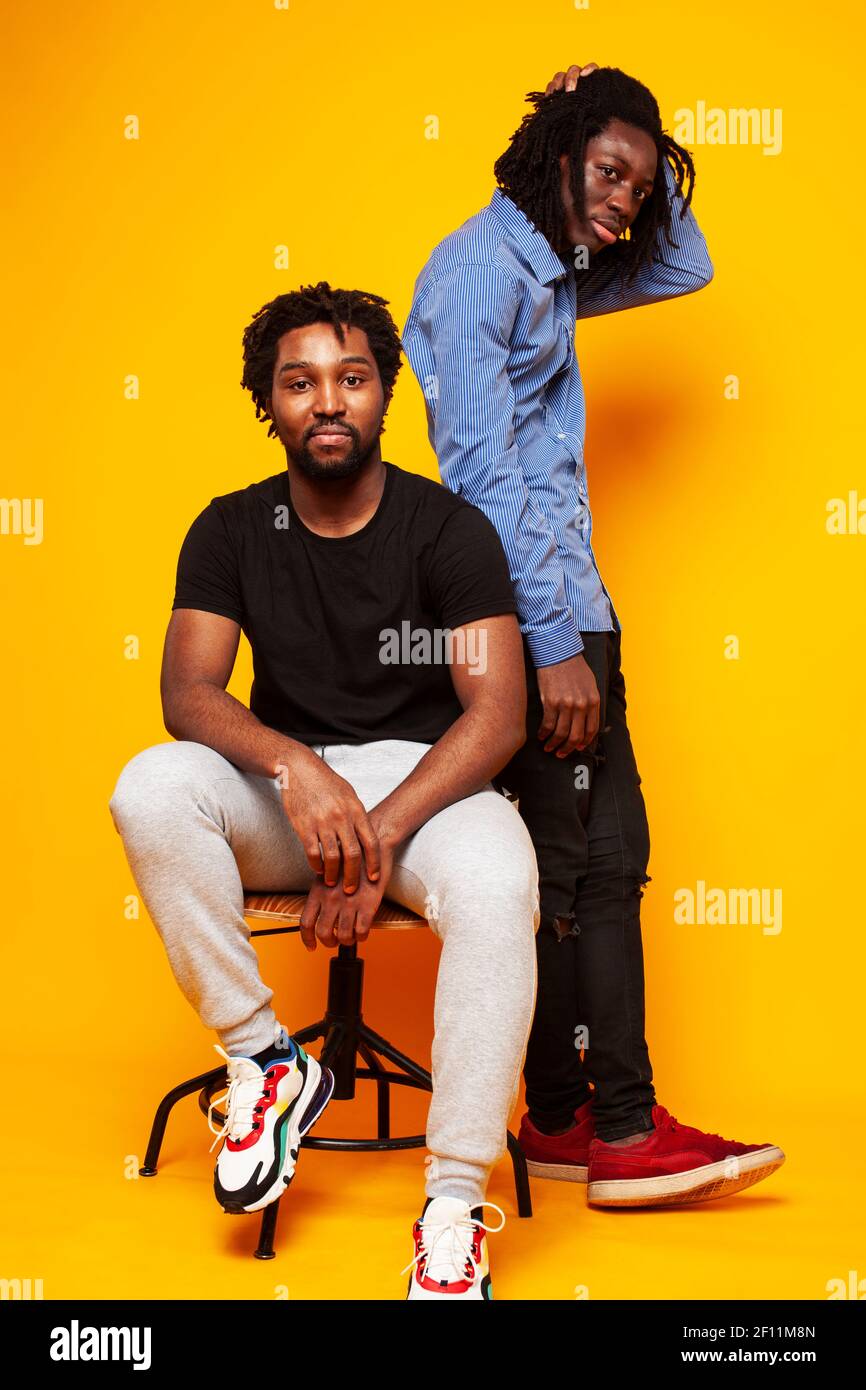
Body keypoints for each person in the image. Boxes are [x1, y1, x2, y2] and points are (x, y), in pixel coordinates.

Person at [109, 281, 541, 1299]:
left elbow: (496, 716)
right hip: (287, 787)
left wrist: (377, 835)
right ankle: (264, 1060)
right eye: (300, 383)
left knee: (497, 887)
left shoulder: (449, 529)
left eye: (351, 378)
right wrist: (294, 766)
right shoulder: (230, 528)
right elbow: (187, 693)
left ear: (384, 391)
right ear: (269, 403)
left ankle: (451, 1207)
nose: (329, 401)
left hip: (426, 789)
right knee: (150, 788)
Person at [402, 64, 784, 1206]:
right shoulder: (482, 274)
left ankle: (564, 1116)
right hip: (542, 616)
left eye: (640, 183)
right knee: (597, 864)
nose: (626, 202)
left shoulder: (553, 266)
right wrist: (555, 641)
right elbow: (479, 476)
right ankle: (620, 1130)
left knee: (574, 865)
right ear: (557, 154)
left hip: (561, 604)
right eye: (607, 172)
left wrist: (645, 163)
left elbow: (685, 264)